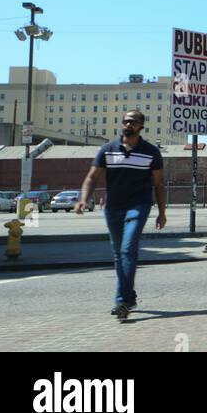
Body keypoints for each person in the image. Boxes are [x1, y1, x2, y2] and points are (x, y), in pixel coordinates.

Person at [76, 111, 167, 319]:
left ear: (141, 126)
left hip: (139, 206)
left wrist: (162, 212)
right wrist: (84, 199)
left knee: (127, 250)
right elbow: (92, 177)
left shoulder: (151, 152)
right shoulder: (107, 150)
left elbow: (159, 184)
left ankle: (121, 302)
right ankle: (130, 296)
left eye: (133, 121)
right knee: (118, 254)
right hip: (112, 207)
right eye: (126, 120)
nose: (128, 124)